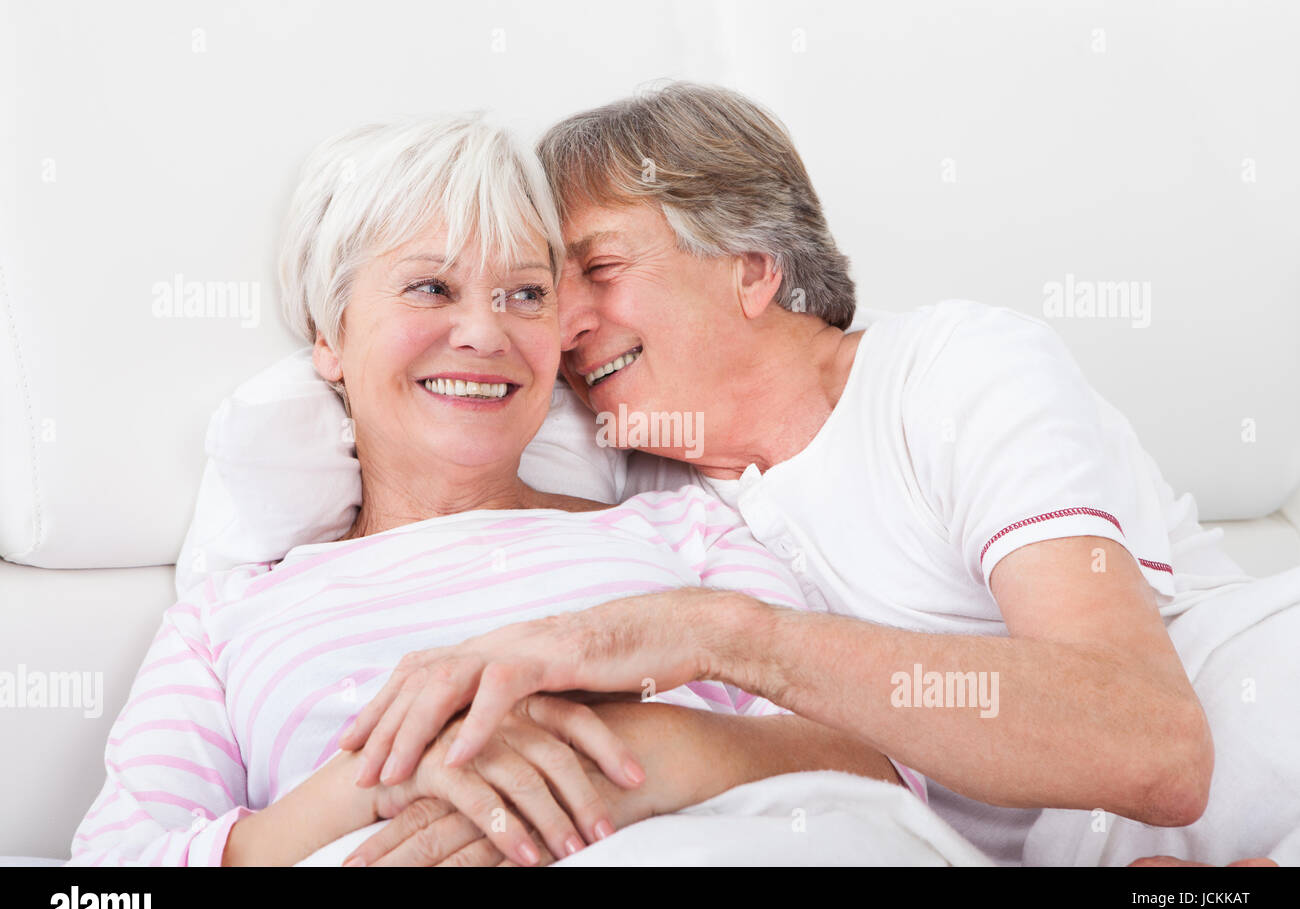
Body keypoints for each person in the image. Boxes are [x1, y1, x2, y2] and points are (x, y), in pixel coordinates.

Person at [344, 84, 1294, 867]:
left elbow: (1151, 747)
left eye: (600, 268)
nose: (567, 322)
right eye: (552, 289)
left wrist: (724, 637)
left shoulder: (953, 369)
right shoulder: (643, 496)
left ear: (752, 270)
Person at [66, 115, 916, 868]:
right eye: (431, 287)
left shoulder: (682, 531)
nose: (484, 331)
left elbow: (884, 769)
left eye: (525, 295)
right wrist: (385, 783)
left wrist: (631, 753)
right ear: (330, 333)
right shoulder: (224, 621)